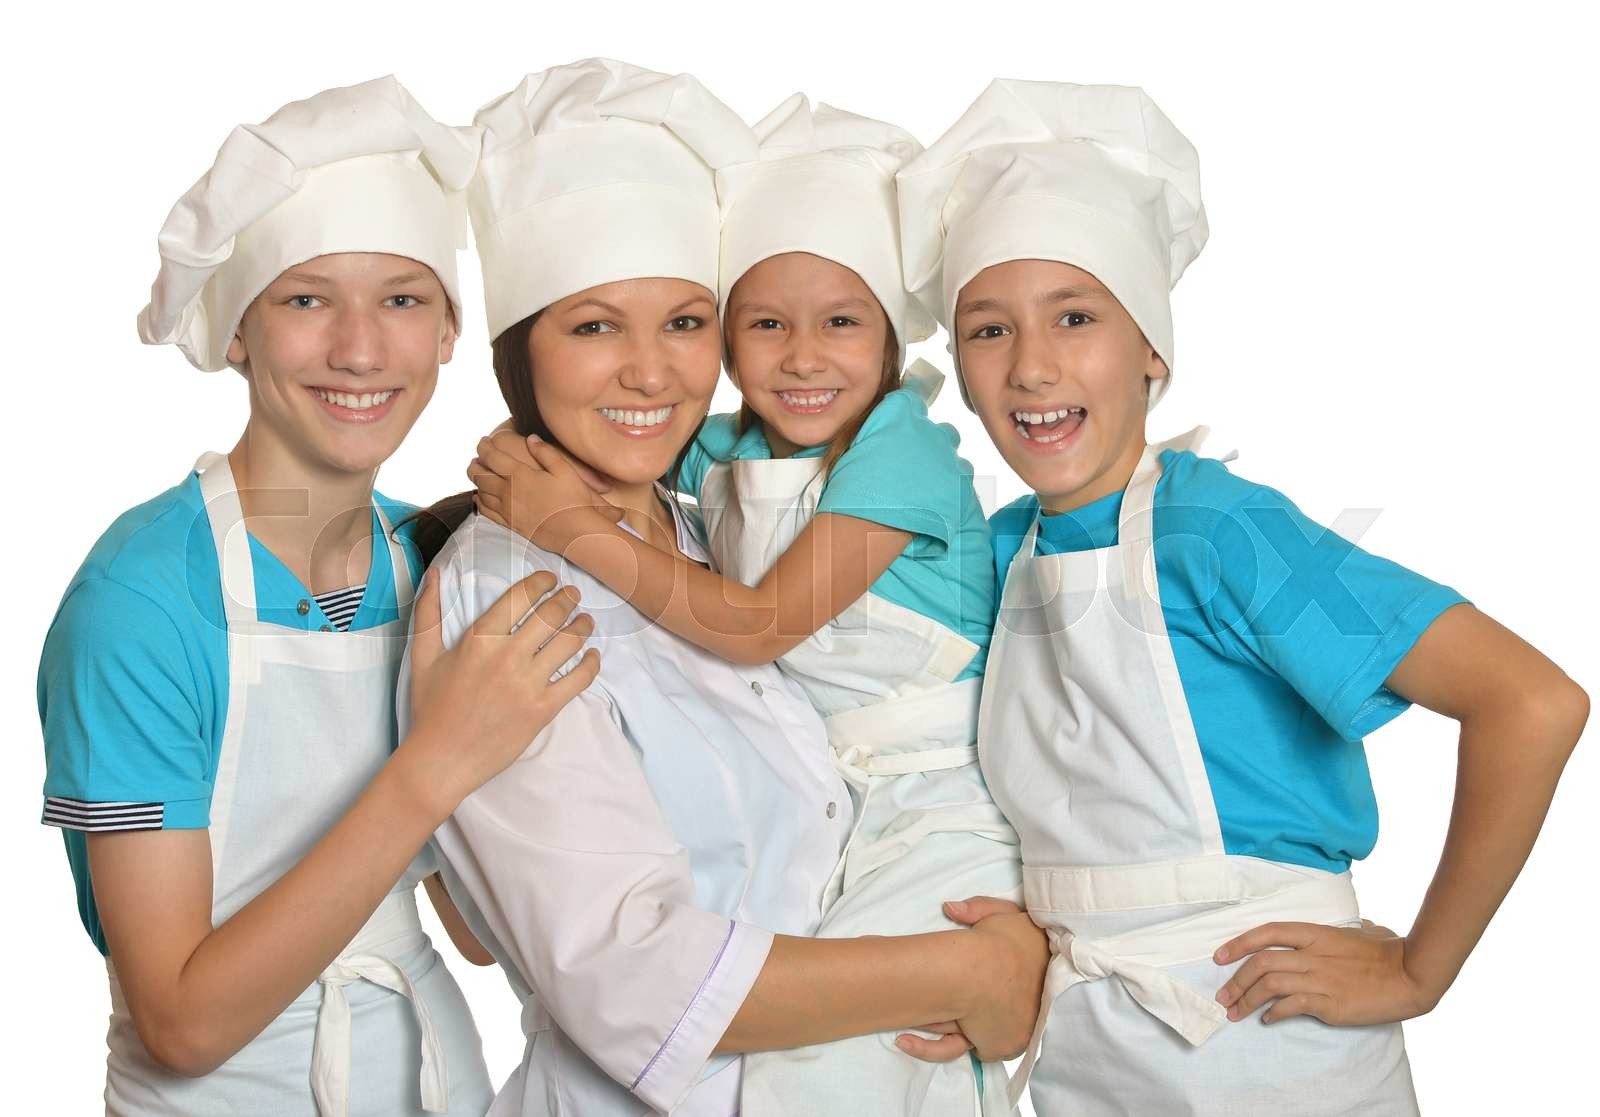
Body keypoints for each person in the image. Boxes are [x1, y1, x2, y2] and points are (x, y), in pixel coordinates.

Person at [896, 78, 1590, 1115]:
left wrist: (1419, 971)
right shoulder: (1001, 558)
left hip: (1268, 1036)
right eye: (987, 331)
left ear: (1151, 351)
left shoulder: (1215, 531)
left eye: (1074, 316)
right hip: (1087, 1039)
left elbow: (1531, 703)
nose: (1032, 367)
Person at [399, 58, 1046, 1117]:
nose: (651, 374)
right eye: (594, 325)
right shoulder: (505, 590)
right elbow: (613, 968)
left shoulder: (706, 527)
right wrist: (970, 970)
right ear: (521, 353)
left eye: (684, 322)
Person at [37, 76, 598, 1116]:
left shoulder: (431, 565)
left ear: (445, 332)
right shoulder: (144, 601)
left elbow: (478, 931)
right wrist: (437, 764)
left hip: (436, 1082)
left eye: (401, 298)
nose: (358, 348)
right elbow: (182, 1022)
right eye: (306, 299)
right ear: (239, 330)